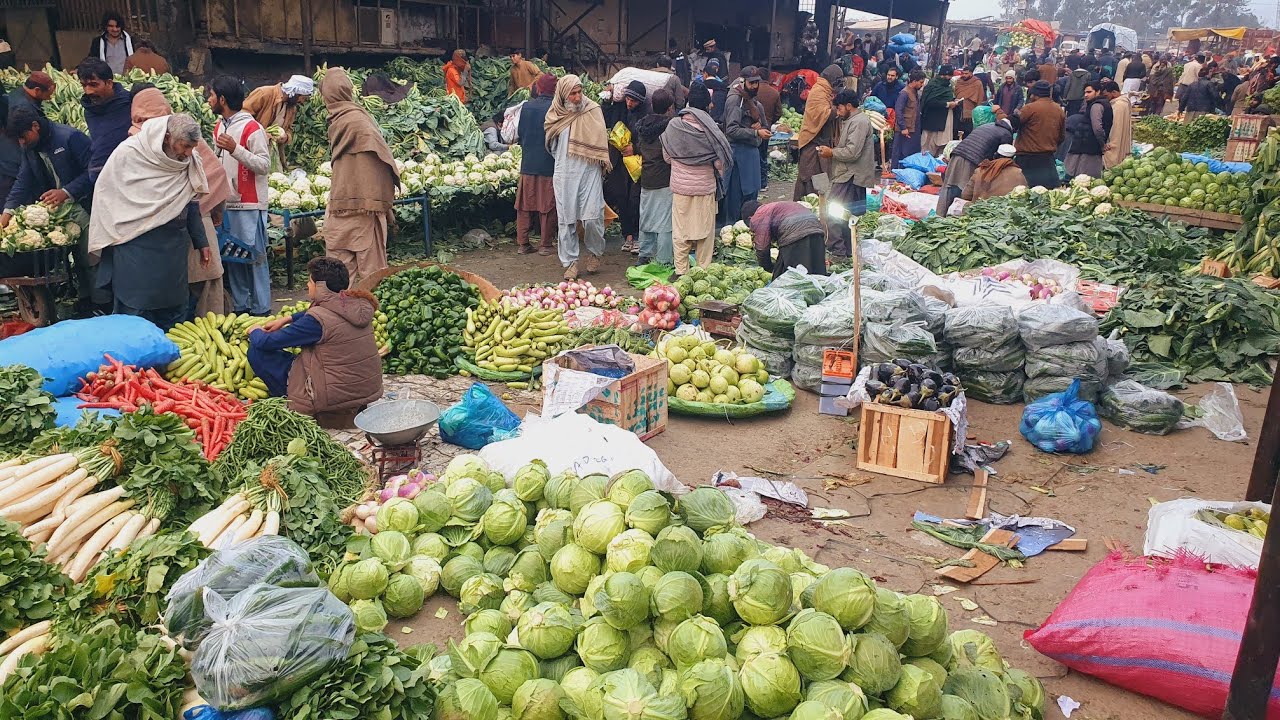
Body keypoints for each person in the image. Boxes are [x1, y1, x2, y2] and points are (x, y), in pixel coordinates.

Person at [88, 113, 210, 330]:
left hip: (173, 248)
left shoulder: (188, 161)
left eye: (192, 147)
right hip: (136, 246)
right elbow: (106, 196)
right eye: (184, 146)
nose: (188, 153)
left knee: (174, 315)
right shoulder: (130, 154)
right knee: (136, 313)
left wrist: (202, 241)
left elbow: (191, 201)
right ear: (167, 138)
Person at [129, 88, 230, 319]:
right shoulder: (137, 143)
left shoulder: (183, 136)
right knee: (181, 284)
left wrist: (213, 208)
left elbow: (211, 174)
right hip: (162, 229)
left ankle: (212, 329)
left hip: (192, 218)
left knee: (205, 276)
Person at [247, 256, 383, 416]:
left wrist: (255, 330)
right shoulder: (356, 305)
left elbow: (266, 342)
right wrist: (287, 319)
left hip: (333, 396)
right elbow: (330, 313)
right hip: (366, 390)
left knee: (257, 350)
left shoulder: (314, 322)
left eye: (310, 282)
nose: (307, 285)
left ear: (321, 288)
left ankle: (290, 400)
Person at [1, 104, 93, 293]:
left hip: (86, 206)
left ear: (35, 126)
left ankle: (100, 303)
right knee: (74, 259)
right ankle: (82, 298)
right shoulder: (31, 148)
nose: (21, 143)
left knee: (90, 258)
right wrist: (8, 211)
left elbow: (95, 171)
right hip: (60, 212)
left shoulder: (69, 137)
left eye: (23, 137)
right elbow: (23, 180)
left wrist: (66, 191)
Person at [319, 68, 398, 285]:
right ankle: (344, 315)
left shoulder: (354, 121)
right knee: (341, 275)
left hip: (362, 207)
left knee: (370, 276)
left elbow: (380, 159)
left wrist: (377, 200)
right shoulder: (345, 118)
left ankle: (365, 316)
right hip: (345, 205)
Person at [209, 76, 272, 316]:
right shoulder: (218, 127)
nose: (209, 100)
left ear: (222, 99)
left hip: (250, 204)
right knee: (233, 257)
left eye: (212, 95)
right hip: (227, 203)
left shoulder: (252, 128)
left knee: (255, 258)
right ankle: (240, 306)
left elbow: (264, 165)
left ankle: (262, 309)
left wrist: (236, 149)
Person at [661, 84, 731, 276]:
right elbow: (720, 164)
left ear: (688, 102)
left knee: (681, 231)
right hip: (705, 188)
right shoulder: (712, 130)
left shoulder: (673, 126)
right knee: (705, 233)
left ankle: (681, 271)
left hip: (681, 189)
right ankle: (703, 271)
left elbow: (667, 158)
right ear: (708, 105)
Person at [545, 74, 609, 280]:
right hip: (564, 173)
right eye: (572, 93)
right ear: (563, 95)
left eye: (579, 92)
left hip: (589, 171)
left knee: (592, 218)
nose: (577, 97)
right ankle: (571, 262)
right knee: (566, 220)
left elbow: (601, 141)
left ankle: (595, 253)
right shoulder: (554, 115)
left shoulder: (593, 110)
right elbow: (552, 145)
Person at [816, 89, 874, 257]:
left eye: (840, 108)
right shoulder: (853, 120)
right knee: (846, 214)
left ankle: (838, 252)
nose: (838, 111)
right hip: (850, 174)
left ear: (849, 106)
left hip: (851, 175)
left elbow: (852, 152)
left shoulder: (859, 122)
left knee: (833, 211)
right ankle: (848, 251)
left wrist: (831, 152)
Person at [937, 115, 1017, 216]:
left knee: (949, 187)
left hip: (957, 154)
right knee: (965, 190)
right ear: (1014, 128)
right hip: (971, 160)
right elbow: (1001, 160)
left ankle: (939, 216)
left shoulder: (989, 125)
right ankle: (955, 220)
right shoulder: (1006, 134)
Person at [515, 73, 558, 256]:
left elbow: (520, 132)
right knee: (547, 205)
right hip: (548, 163)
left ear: (538, 88)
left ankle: (523, 244)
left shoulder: (526, 107)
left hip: (528, 162)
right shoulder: (556, 109)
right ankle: (545, 245)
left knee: (524, 205)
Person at [720, 66, 769, 226]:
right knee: (736, 197)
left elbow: (765, 126)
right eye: (751, 83)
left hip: (751, 154)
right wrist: (754, 133)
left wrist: (761, 129)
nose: (755, 86)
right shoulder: (735, 100)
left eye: (757, 82)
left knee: (751, 195)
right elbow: (732, 130)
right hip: (738, 155)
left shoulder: (753, 100)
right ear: (743, 82)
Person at [604, 81, 648, 254]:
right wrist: (607, 98)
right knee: (621, 198)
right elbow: (606, 118)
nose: (630, 103)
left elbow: (649, 139)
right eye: (628, 99)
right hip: (619, 162)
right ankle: (627, 236)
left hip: (637, 163)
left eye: (634, 101)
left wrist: (634, 148)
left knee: (635, 199)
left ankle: (637, 236)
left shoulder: (645, 115)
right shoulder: (619, 108)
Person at [634, 89, 675, 266]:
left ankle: (644, 254)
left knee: (647, 217)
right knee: (666, 221)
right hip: (665, 178)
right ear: (670, 107)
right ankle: (664, 258)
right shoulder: (670, 127)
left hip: (647, 177)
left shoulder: (642, 126)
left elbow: (638, 147)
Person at [78, 57, 133, 188]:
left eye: (93, 84)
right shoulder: (89, 111)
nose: (88, 91)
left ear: (109, 83)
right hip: (101, 178)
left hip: (129, 176)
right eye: (84, 85)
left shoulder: (130, 104)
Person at [0, 71, 53, 204]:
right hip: (13, 163)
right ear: (37, 90)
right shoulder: (24, 107)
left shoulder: (17, 94)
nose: (51, 97)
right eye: (49, 93)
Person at [741, 200, 827, 279]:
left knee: (793, 276)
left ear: (750, 218)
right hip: (816, 229)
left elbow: (762, 248)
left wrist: (767, 267)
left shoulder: (758, 216)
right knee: (817, 271)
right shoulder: (775, 207)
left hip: (795, 234)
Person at [244, 74, 314, 170]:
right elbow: (242, 116)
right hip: (252, 149)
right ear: (296, 93)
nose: (302, 102)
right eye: (304, 98)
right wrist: (261, 133)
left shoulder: (291, 108)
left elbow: (289, 129)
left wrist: (285, 137)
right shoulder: (264, 93)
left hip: (273, 153)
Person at [793, 65, 841, 199]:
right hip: (812, 141)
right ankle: (805, 203)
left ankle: (819, 205)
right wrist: (836, 111)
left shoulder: (826, 91)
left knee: (821, 177)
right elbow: (821, 114)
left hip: (822, 142)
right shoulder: (818, 91)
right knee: (808, 177)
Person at [1016, 81, 1064, 187]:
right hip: (1047, 158)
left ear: (1034, 94)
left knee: (1026, 193)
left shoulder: (1030, 108)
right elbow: (1061, 136)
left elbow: (1015, 123)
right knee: (1047, 194)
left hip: (1028, 157)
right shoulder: (1058, 109)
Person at [1065, 81, 1111, 179]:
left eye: (1089, 92)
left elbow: (1097, 128)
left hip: (1089, 144)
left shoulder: (1096, 106)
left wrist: (1102, 143)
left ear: (1098, 92)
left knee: (1084, 175)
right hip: (1088, 144)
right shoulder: (1099, 104)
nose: (1086, 95)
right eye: (1085, 92)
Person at [961, 143, 1026, 201]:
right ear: (1013, 158)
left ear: (995, 155)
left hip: (981, 210)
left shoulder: (981, 170)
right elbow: (1024, 196)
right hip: (1009, 211)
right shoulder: (1019, 173)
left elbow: (966, 195)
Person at [920, 65, 959, 157]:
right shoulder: (933, 85)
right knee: (929, 144)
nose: (949, 78)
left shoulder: (947, 85)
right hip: (932, 119)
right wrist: (947, 104)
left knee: (941, 144)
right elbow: (929, 102)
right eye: (948, 76)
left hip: (945, 118)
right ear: (942, 75)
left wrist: (953, 102)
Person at [892, 69, 925, 167]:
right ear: (914, 81)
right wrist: (903, 128)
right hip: (905, 130)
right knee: (900, 153)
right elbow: (898, 111)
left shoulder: (914, 92)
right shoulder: (904, 93)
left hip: (912, 129)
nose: (922, 85)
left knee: (910, 153)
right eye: (921, 82)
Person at [88, 11, 134, 75]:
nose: (115, 29)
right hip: (107, 80)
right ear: (106, 27)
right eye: (111, 26)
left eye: (117, 26)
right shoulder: (97, 42)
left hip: (128, 80)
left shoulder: (131, 41)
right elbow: (91, 60)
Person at [1102, 80, 1131, 170]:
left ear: (1114, 92)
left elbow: (1116, 128)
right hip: (1122, 140)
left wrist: (1110, 144)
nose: (1106, 98)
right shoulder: (1125, 102)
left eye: (1107, 95)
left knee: (1114, 161)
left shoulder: (1118, 106)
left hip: (1115, 142)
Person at [953, 65, 987, 136]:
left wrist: (978, 110)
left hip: (970, 110)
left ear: (971, 73)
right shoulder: (959, 81)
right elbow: (956, 93)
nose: (964, 75)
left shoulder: (977, 83)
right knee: (955, 129)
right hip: (958, 108)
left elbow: (980, 96)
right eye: (963, 73)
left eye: (966, 73)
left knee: (968, 130)